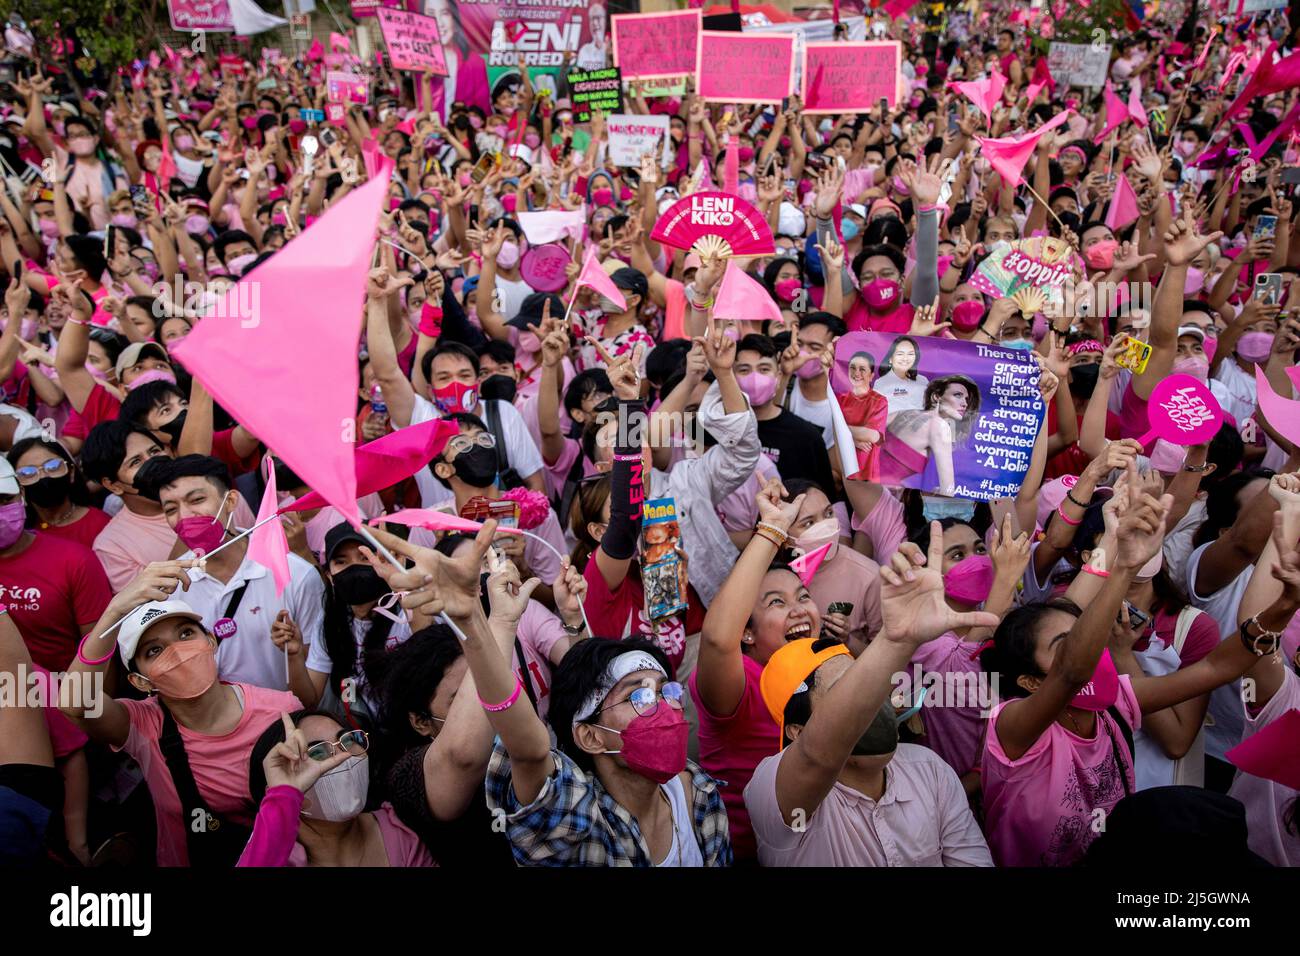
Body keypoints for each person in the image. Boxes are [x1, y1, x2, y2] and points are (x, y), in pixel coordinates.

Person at [743, 521, 996, 866]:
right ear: (797, 731)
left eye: (871, 684)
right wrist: (897, 641)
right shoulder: (774, 798)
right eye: (843, 692)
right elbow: (818, 756)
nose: (872, 701)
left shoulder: (931, 771)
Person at [62, 580, 300, 867]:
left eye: (186, 634)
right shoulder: (144, 724)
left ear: (210, 641)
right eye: (154, 650)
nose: (178, 652)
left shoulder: (282, 709)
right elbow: (75, 703)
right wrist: (113, 612)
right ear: (140, 681)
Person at [134, 454, 325, 697]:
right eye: (171, 509)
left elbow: (314, 674)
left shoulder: (296, 574)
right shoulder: (172, 586)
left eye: (197, 499)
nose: (184, 516)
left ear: (231, 500)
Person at [240, 711, 434, 867]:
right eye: (317, 752)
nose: (343, 756)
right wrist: (282, 799)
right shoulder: (275, 858)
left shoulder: (401, 830)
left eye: (348, 740)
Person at [0, 457, 112, 671]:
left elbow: (101, 648)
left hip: (62, 699)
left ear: (22, 495)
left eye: (4, 499)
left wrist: (90, 704)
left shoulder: (75, 560)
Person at [881, 375, 981, 496]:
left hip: (866, 491)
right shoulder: (940, 426)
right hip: (883, 498)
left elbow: (866, 437)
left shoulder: (902, 413)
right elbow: (948, 489)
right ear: (936, 397)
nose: (964, 404)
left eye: (966, 399)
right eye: (958, 395)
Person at [838, 350, 889, 481]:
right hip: (841, 470)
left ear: (871, 375)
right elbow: (831, 431)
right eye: (853, 368)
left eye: (862, 369)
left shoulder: (879, 401)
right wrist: (851, 439)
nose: (856, 373)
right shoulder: (839, 398)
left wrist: (842, 430)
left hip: (866, 473)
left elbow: (872, 435)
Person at [875, 335, 929, 419]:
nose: (905, 358)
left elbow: (929, 408)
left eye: (910, 354)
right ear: (890, 359)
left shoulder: (923, 381)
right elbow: (878, 415)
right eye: (900, 354)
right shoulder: (881, 383)